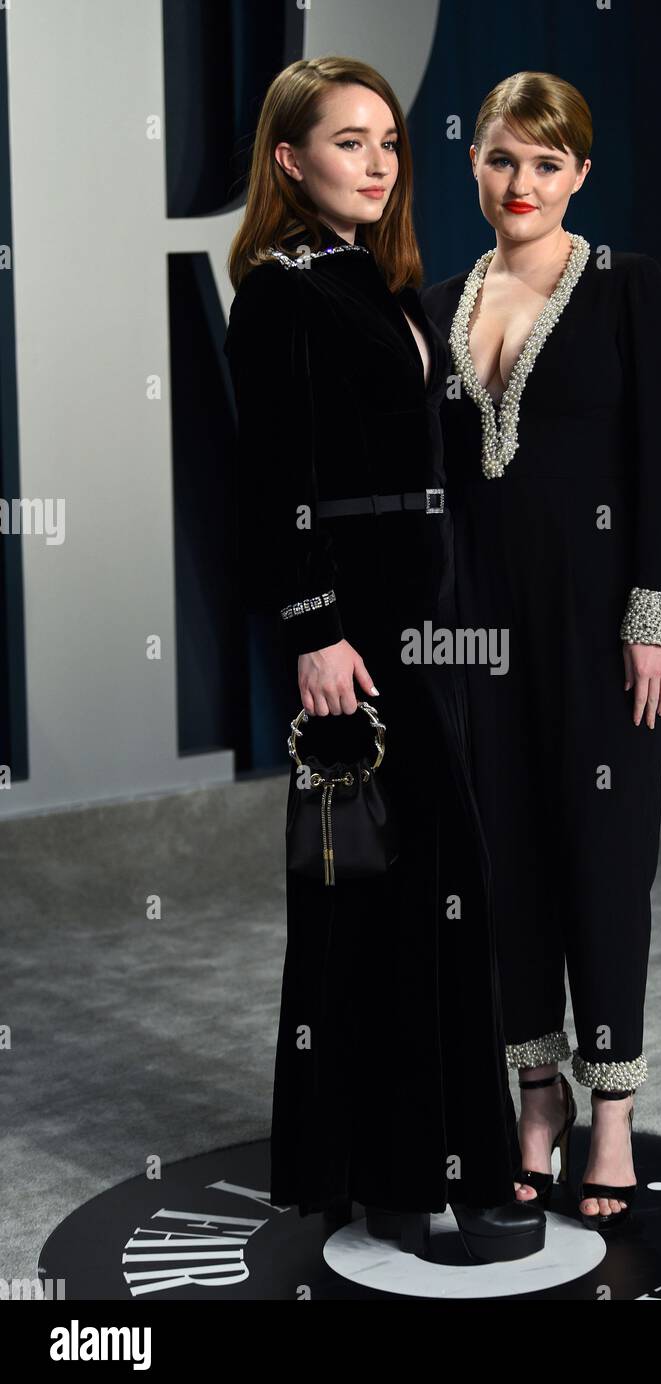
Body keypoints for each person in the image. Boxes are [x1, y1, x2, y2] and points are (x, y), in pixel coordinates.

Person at [223, 55, 544, 1263]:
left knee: (412, 888)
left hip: (413, 627)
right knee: (391, 887)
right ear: (290, 160)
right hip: (348, 639)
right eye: (348, 141)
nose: (375, 162)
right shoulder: (280, 291)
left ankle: (403, 1159)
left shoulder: (384, 287)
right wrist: (312, 629)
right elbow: (269, 483)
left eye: (389, 142)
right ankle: (406, 1176)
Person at [422, 71, 661, 1231]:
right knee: (502, 868)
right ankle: (534, 1102)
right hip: (473, 633)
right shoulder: (437, 300)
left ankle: (612, 1116)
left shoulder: (631, 290)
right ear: (471, 164)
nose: (518, 183)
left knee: (602, 860)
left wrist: (656, 619)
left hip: (597, 630)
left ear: (579, 172)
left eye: (543, 162)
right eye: (499, 158)